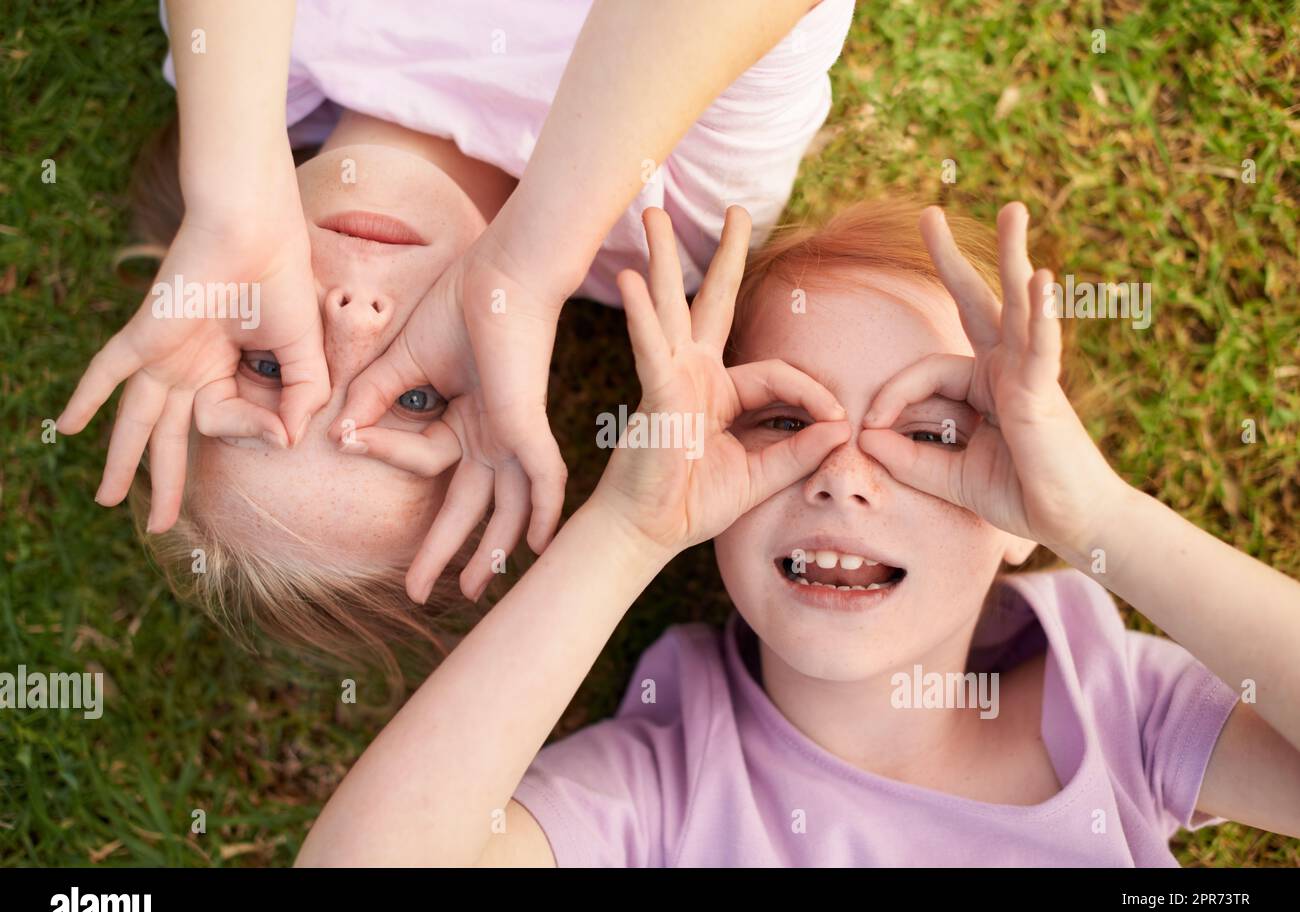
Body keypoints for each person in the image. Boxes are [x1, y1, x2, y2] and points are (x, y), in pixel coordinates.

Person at [295, 199, 1300, 866]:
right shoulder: (667, 788)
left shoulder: (1109, 704)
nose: (843, 478)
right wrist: (628, 531)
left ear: (1019, 517)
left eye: (932, 435)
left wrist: (1099, 519)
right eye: (782, 420)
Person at [56, 0, 853, 669]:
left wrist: (229, 192)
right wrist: (529, 262)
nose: (351, 321)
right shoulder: (674, 210)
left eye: (268, 363)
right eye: (412, 396)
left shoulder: (243, 64)